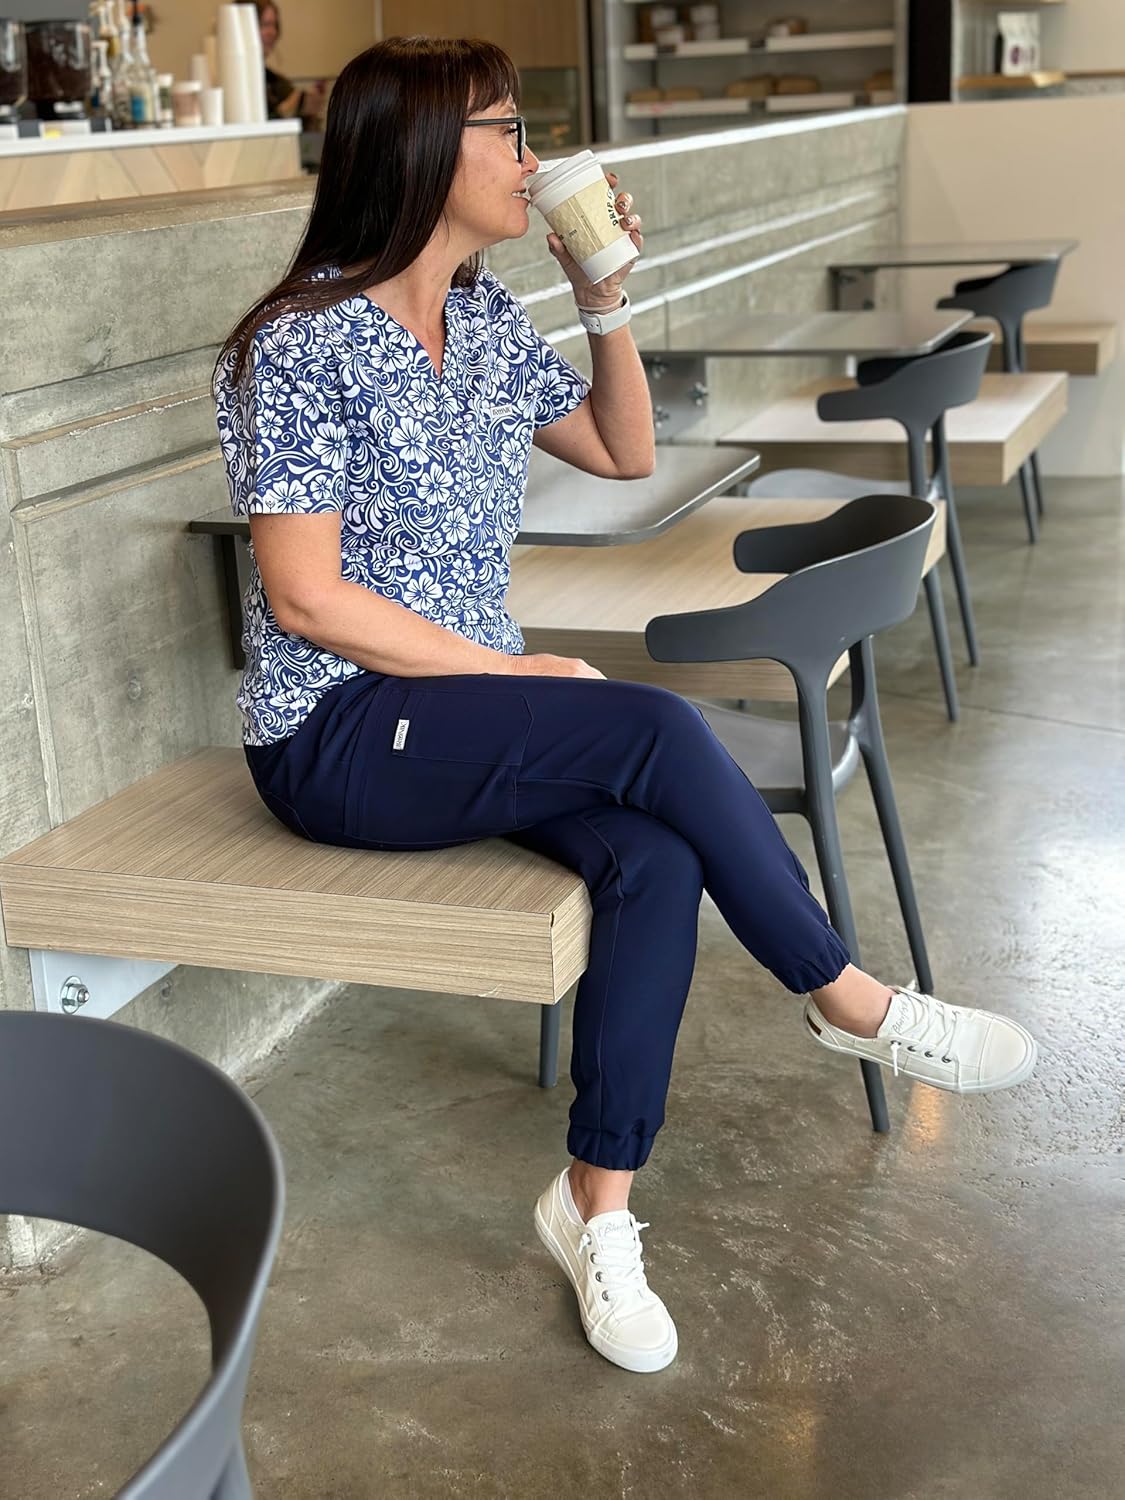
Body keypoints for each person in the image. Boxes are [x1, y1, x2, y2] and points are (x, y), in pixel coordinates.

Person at [213, 36, 1038, 1376]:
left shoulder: (480, 320)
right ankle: (847, 996)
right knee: (653, 726)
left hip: (463, 707)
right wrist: (512, 673)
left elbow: (621, 447)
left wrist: (601, 298)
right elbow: (305, 599)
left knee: (653, 861)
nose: (532, 158)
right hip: (339, 730)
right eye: (507, 130)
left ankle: (595, 1208)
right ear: (421, 151)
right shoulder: (301, 345)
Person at [254, 1, 325, 126]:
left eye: (275, 25)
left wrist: (306, 109)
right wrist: (286, 110)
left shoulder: (277, 82)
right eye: (265, 25)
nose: (272, 32)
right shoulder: (235, 79)